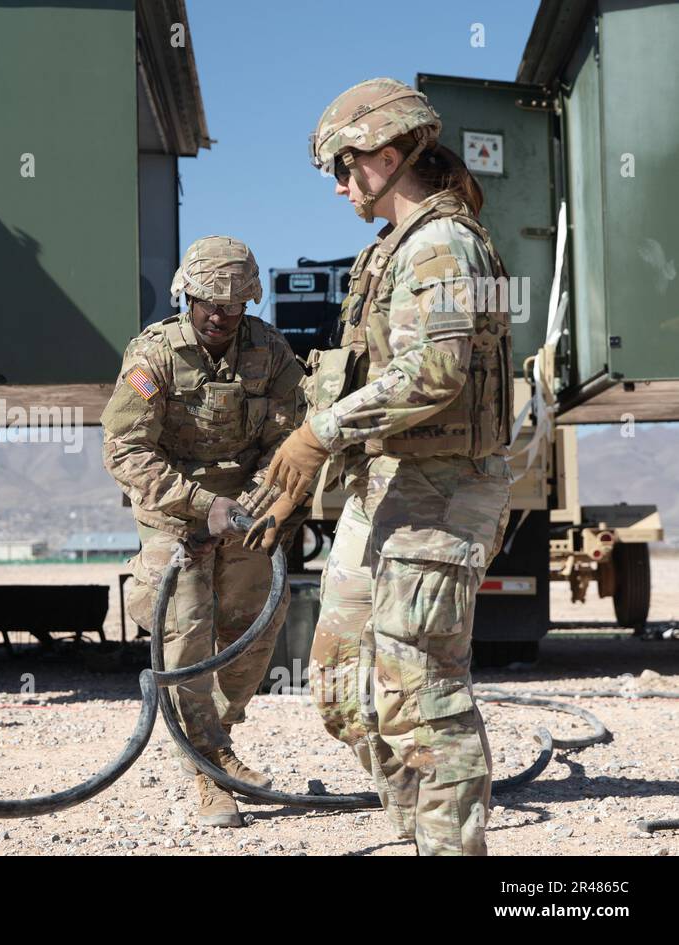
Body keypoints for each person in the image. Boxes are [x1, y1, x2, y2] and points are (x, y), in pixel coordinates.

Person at [247, 78, 513, 855]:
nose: (338, 186)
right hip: (384, 488)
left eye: (344, 167)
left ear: (387, 157)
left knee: (421, 698)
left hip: (440, 497)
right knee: (337, 689)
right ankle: (416, 827)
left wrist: (319, 434)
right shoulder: (392, 249)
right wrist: (308, 465)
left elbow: (436, 372)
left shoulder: (441, 243)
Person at [101, 236, 305, 828]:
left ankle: (217, 737)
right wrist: (199, 505)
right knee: (186, 630)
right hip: (175, 513)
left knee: (258, 624)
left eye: (234, 305)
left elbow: (291, 444)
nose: (220, 315)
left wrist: (248, 504)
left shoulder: (271, 352)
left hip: (247, 510)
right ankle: (206, 768)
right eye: (208, 303)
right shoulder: (154, 356)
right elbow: (125, 449)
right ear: (185, 296)